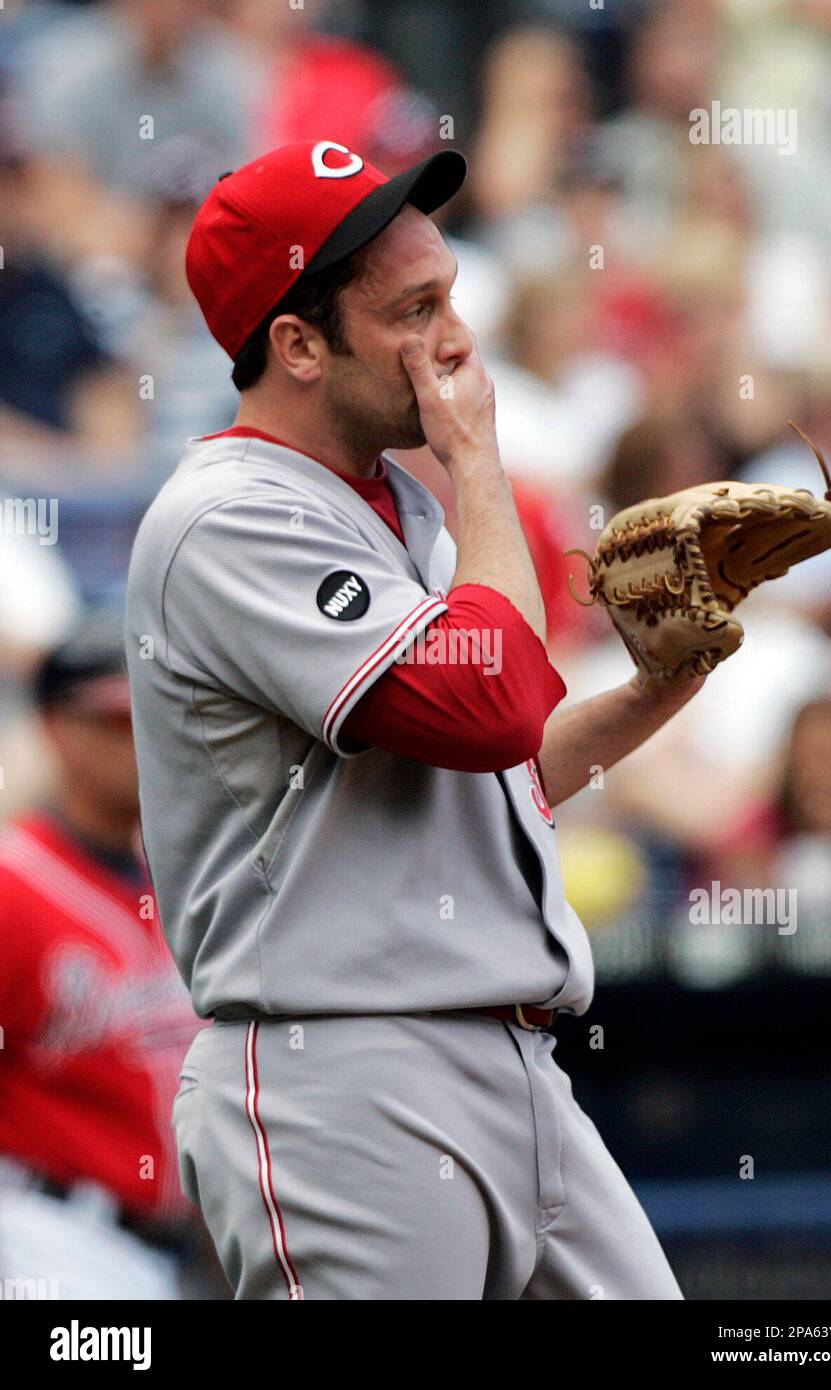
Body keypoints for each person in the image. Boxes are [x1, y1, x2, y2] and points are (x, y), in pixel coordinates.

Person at [125, 138, 704, 1300]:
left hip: (507, 1056)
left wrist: (658, 685)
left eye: (453, 297)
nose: (456, 341)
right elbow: (486, 698)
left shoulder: (389, 508)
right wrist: (481, 463)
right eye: (414, 309)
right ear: (295, 343)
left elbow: (500, 770)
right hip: (340, 1070)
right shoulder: (228, 518)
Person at [0, 612, 206, 1298]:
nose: (146, 743)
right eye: (121, 721)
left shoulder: (180, 883)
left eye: (158, 717)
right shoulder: (12, 885)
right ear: (57, 731)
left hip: (167, 1252)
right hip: (47, 1242)